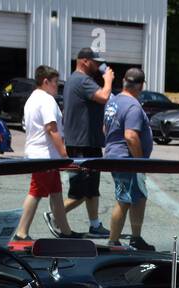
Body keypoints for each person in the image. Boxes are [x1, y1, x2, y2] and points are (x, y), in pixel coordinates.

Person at [14, 65, 72, 242]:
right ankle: (21, 233)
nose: (57, 87)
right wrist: (64, 153)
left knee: (55, 192)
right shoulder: (46, 100)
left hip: (40, 154)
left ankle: (66, 231)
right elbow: (51, 128)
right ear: (45, 82)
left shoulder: (32, 98)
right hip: (45, 156)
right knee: (36, 192)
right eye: (55, 83)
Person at [60, 47, 114, 237]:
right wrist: (108, 81)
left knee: (92, 190)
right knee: (81, 192)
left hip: (86, 143)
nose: (98, 66)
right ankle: (55, 215)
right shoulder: (82, 80)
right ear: (84, 61)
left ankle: (95, 225)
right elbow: (104, 97)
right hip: (83, 145)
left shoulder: (74, 80)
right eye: (95, 62)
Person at [103, 67, 154, 251]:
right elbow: (131, 136)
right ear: (141, 85)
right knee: (124, 199)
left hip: (117, 156)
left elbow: (105, 129)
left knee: (138, 197)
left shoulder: (113, 102)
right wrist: (140, 162)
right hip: (127, 159)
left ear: (124, 80)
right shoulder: (133, 106)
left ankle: (136, 238)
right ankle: (113, 241)